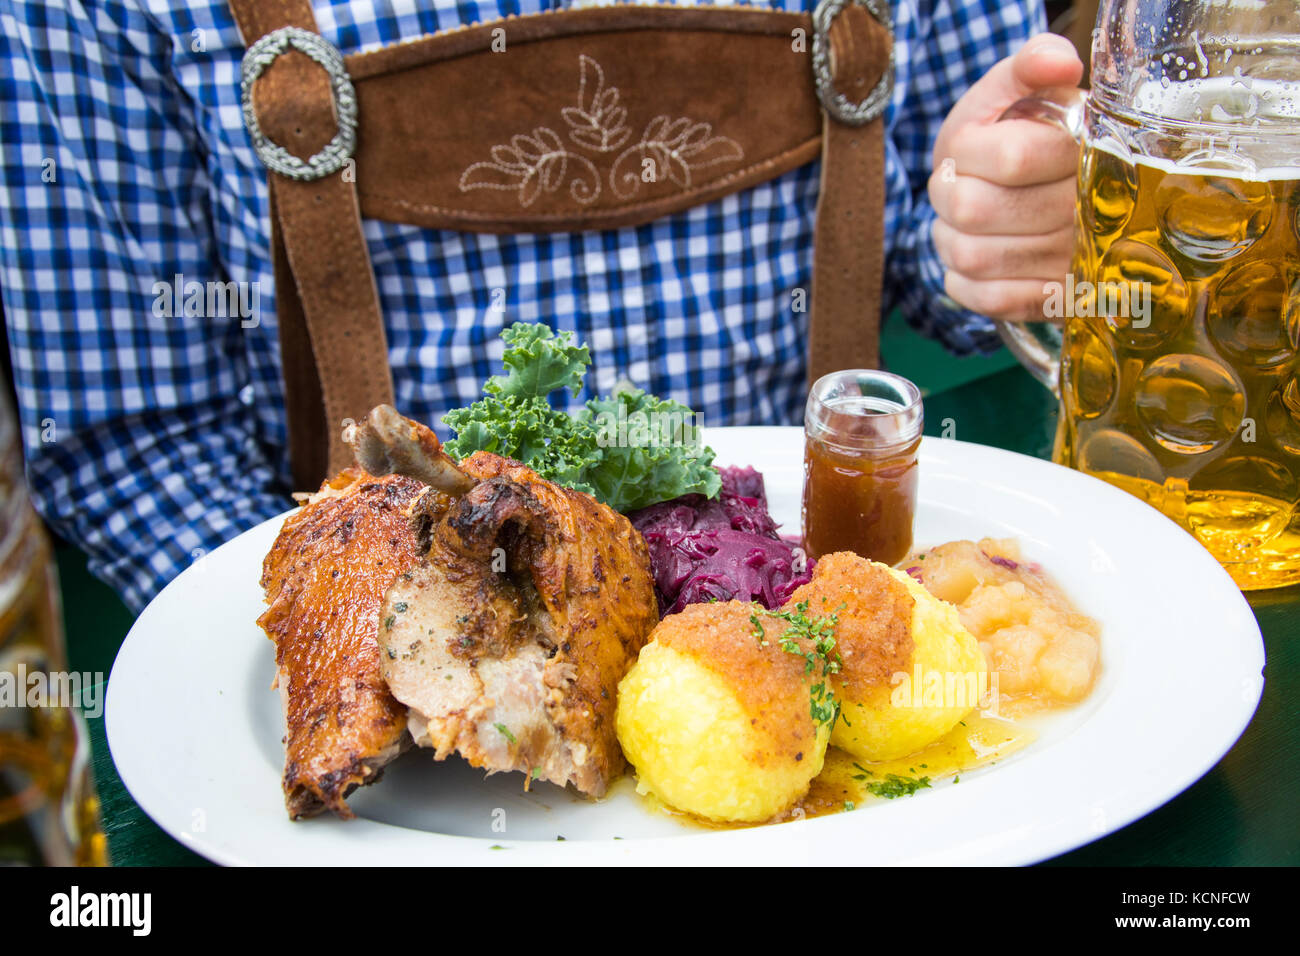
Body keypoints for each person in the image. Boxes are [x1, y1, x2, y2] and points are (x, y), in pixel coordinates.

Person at [0, 0, 1082, 614]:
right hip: (416, 697)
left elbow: (945, 279)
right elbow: (135, 444)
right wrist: (387, 653)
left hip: (819, 604)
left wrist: (1011, 239)